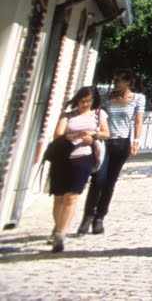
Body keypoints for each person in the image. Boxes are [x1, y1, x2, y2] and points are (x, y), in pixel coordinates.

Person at [79, 68, 144, 235]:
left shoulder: (138, 99)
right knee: (98, 179)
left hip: (122, 143)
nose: (114, 84)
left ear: (128, 82)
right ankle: (87, 216)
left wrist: (136, 142)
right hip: (104, 141)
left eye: (117, 81)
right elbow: (91, 93)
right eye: (113, 80)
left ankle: (99, 218)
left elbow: (137, 121)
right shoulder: (107, 94)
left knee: (110, 182)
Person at [46, 86, 106, 252]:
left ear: (93, 102)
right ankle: (57, 227)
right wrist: (76, 135)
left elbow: (106, 134)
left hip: (83, 159)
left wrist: (93, 135)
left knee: (71, 197)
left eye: (88, 101)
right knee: (59, 198)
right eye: (82, 101)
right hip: (62, 159)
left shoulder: (98, 116)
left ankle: (61, 235)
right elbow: (58, 134)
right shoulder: (68, 116)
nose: (84, 104)